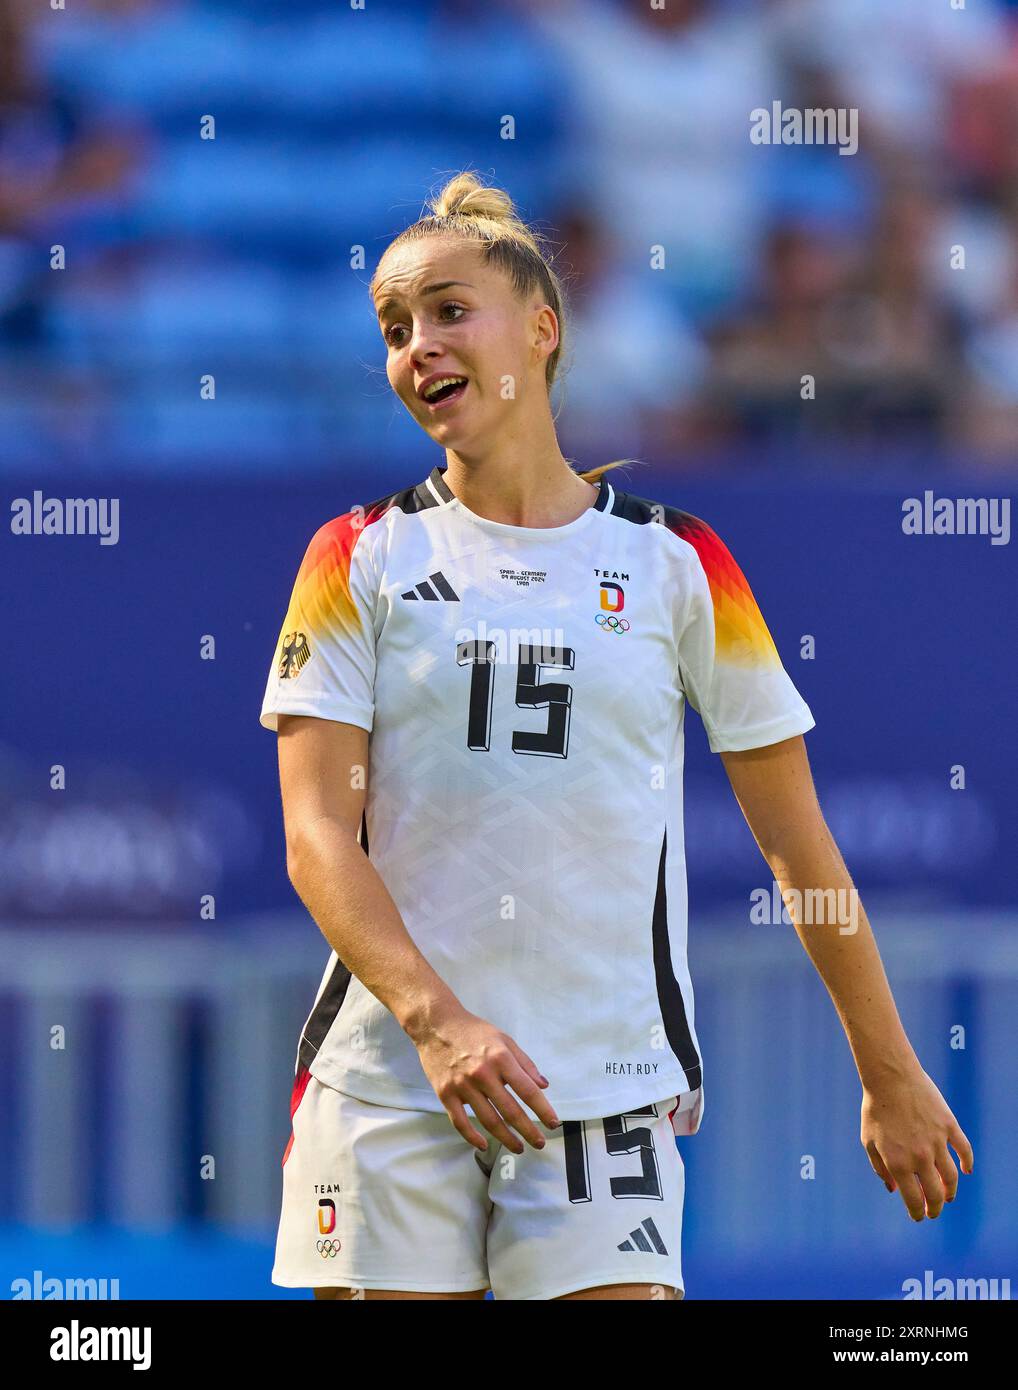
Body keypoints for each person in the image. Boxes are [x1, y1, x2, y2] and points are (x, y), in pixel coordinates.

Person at [259, 171, 973, 1301]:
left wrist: (888, 1072)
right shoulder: (356, 556)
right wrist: (440, 1027)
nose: (417, 345)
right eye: (394, 328)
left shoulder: (678, 563)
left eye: (449, 310)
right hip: (395, 1083)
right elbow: (314, 840)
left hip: (605, 1094)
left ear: (541, 330)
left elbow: (798, 847)